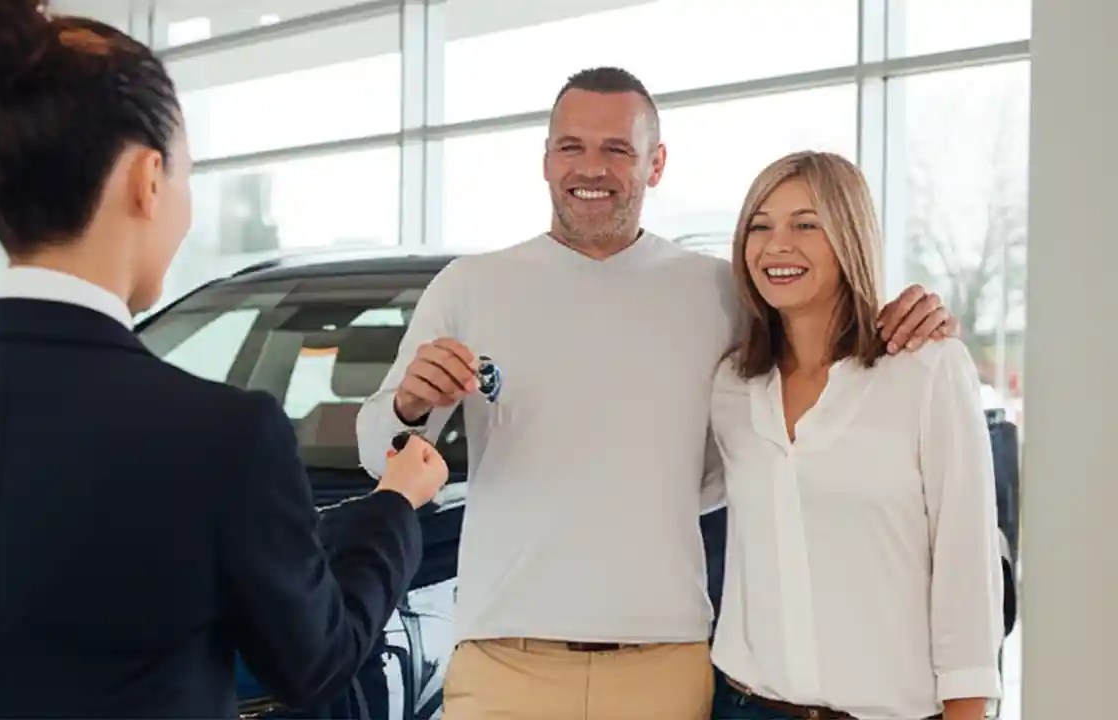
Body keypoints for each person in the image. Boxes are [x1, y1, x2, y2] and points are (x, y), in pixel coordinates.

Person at [0, 1, 447, 717]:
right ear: (147, 178)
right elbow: (315, 661)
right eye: (187, 175)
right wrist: (393, 507)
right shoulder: (222, 435)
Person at [355, 67, 956, 720]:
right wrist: (409, 406)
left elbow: (817, 355)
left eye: (617, 149)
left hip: (665, 664)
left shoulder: (720, 291)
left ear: (656, 163)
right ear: (546, 159)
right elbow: (375, 449)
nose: (592, 168)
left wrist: (902, 316)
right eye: (572, 146)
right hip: (503, 661)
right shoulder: (470, 286)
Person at [707, 151, 1003, 720]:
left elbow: (967, 570)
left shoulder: (927, 371)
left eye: (806, 224)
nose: (777, 245)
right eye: (760, 226)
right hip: (745, 705)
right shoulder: (732, 385)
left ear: (851, 237)